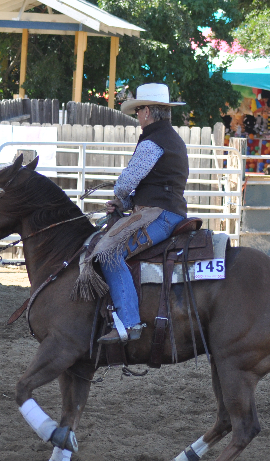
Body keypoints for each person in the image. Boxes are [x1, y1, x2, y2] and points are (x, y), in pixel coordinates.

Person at [96, 83, 188, 344]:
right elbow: (155, 184)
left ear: (147, 111)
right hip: (168, 211)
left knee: (109, 253)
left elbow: (127, 182)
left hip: (160, 215)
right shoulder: (171, 139)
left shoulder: (152, 142)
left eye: (138, 111)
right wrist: (126, 204)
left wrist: (120, 196)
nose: (137, 116)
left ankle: (128, 322)